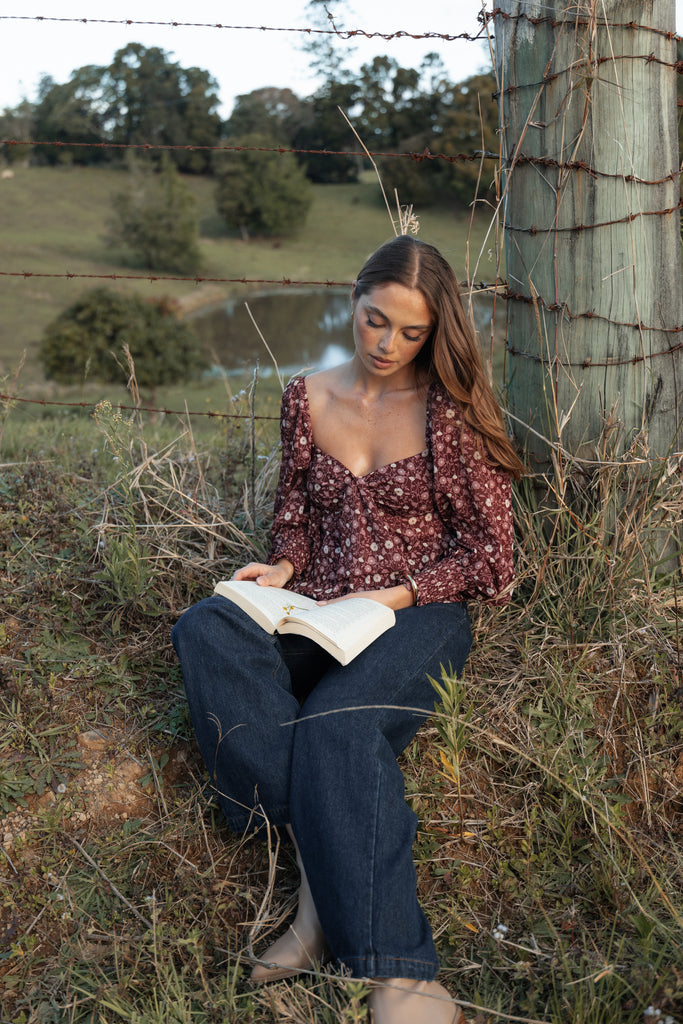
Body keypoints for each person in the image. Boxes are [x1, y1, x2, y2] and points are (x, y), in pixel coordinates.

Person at [171, 235, 524, 1024]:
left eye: (412, 332)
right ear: (353, 300)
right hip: (316, 609)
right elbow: (293, 518)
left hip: (417, 616)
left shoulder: (449, 413)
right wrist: (281, 568)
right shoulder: (306, 396)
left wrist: (398, 594)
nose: (388, 344)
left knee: (337, 725)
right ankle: (320, 873)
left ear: (434, 332)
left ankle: (401, 976)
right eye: (375, 321)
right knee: (207, 628)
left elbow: (490, 559)